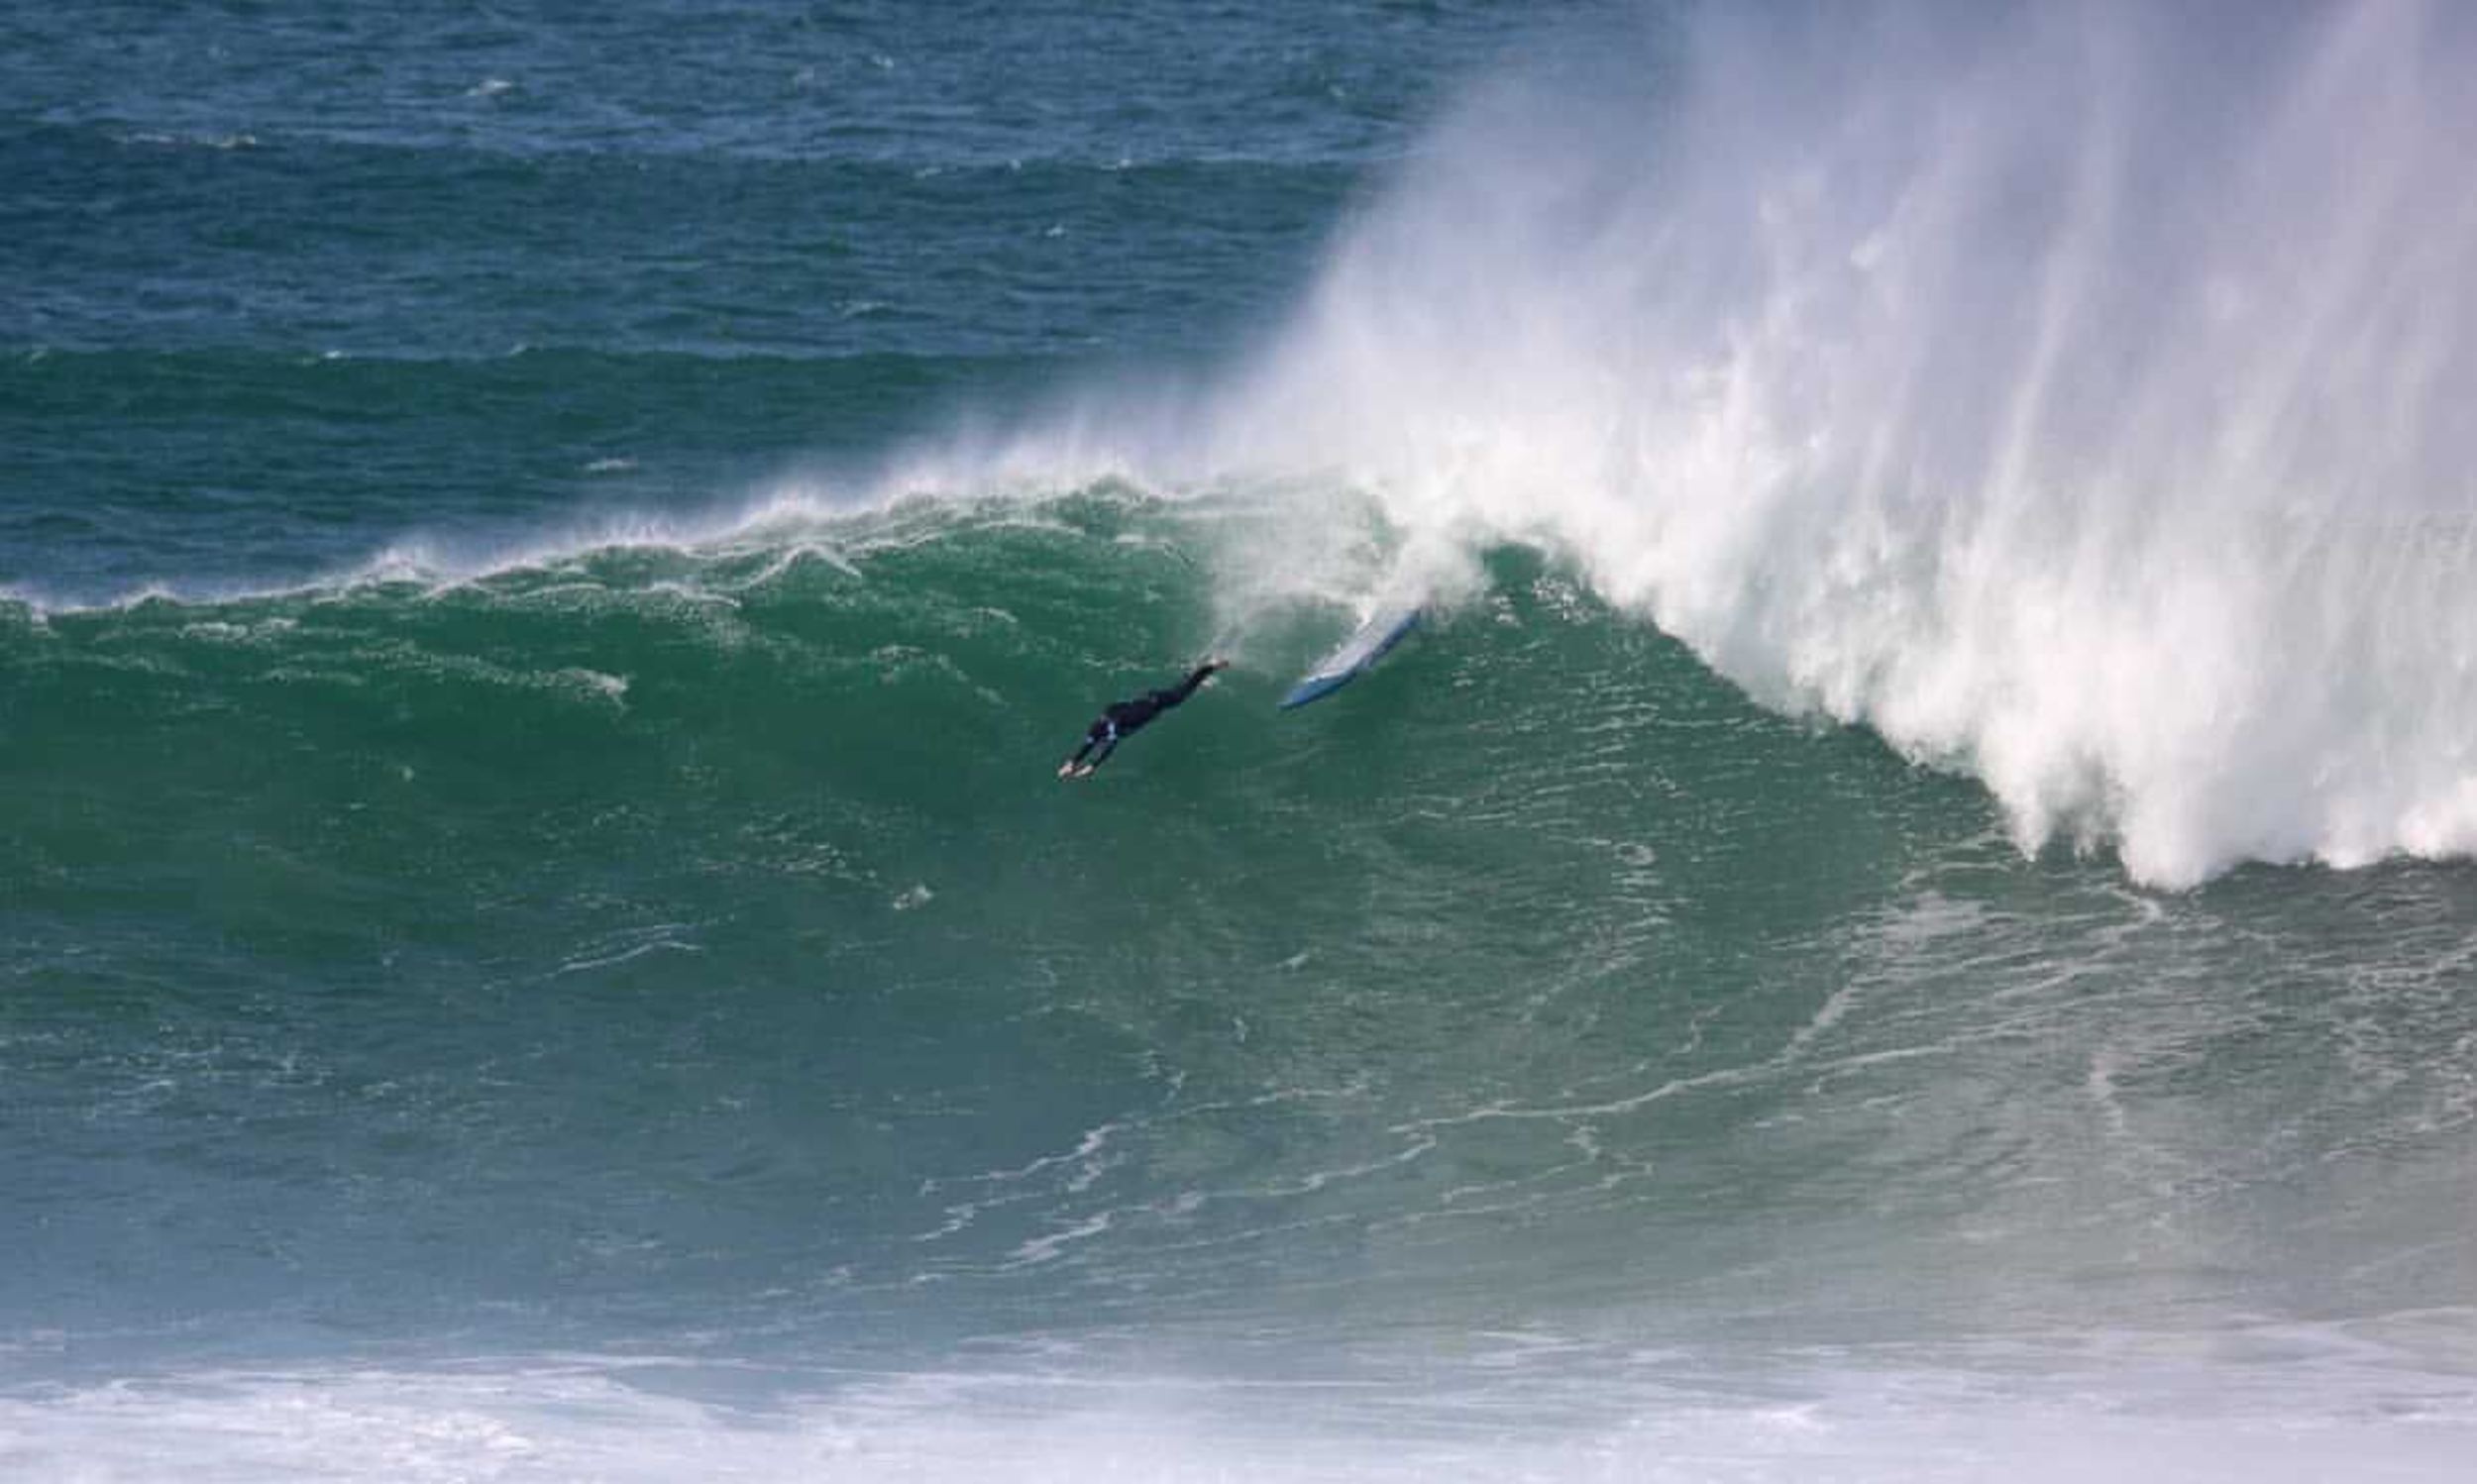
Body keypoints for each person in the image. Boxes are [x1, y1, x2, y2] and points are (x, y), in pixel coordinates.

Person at [1058, 659, 1229, 779]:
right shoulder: (1104, 720)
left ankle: (1210, 667)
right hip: (1150, 698)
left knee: (1182, 694)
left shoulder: (1113, 729)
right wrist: (1073, 762)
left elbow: (1107, 748)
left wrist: (1092, 766)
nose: (1101, 742)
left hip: (1156, 703)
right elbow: (1088, 746)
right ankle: (1193, 673)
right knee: (1178, 691)